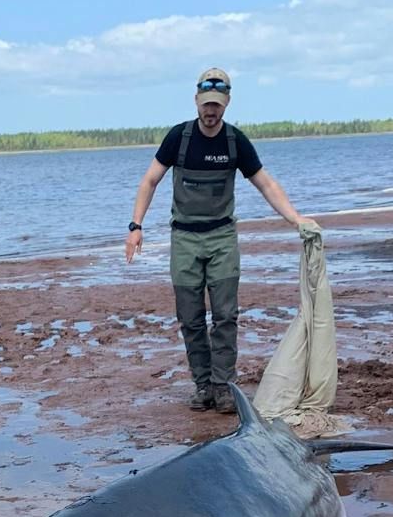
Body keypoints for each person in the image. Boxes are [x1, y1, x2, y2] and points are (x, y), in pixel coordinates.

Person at [125, 67, 306, 413]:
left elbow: (265, 183)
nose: (211, 111)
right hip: (185, 241)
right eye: (206, 104)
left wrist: (295, 219)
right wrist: (136, 226)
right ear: (196, 101)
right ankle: (202, 385)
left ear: (227, 104)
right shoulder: (179, 138)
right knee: (190, 318)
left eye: (217, 106)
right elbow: (149, 181)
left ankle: (223, 388)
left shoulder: (235, 142)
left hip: (222, 238)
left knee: (225, 316)